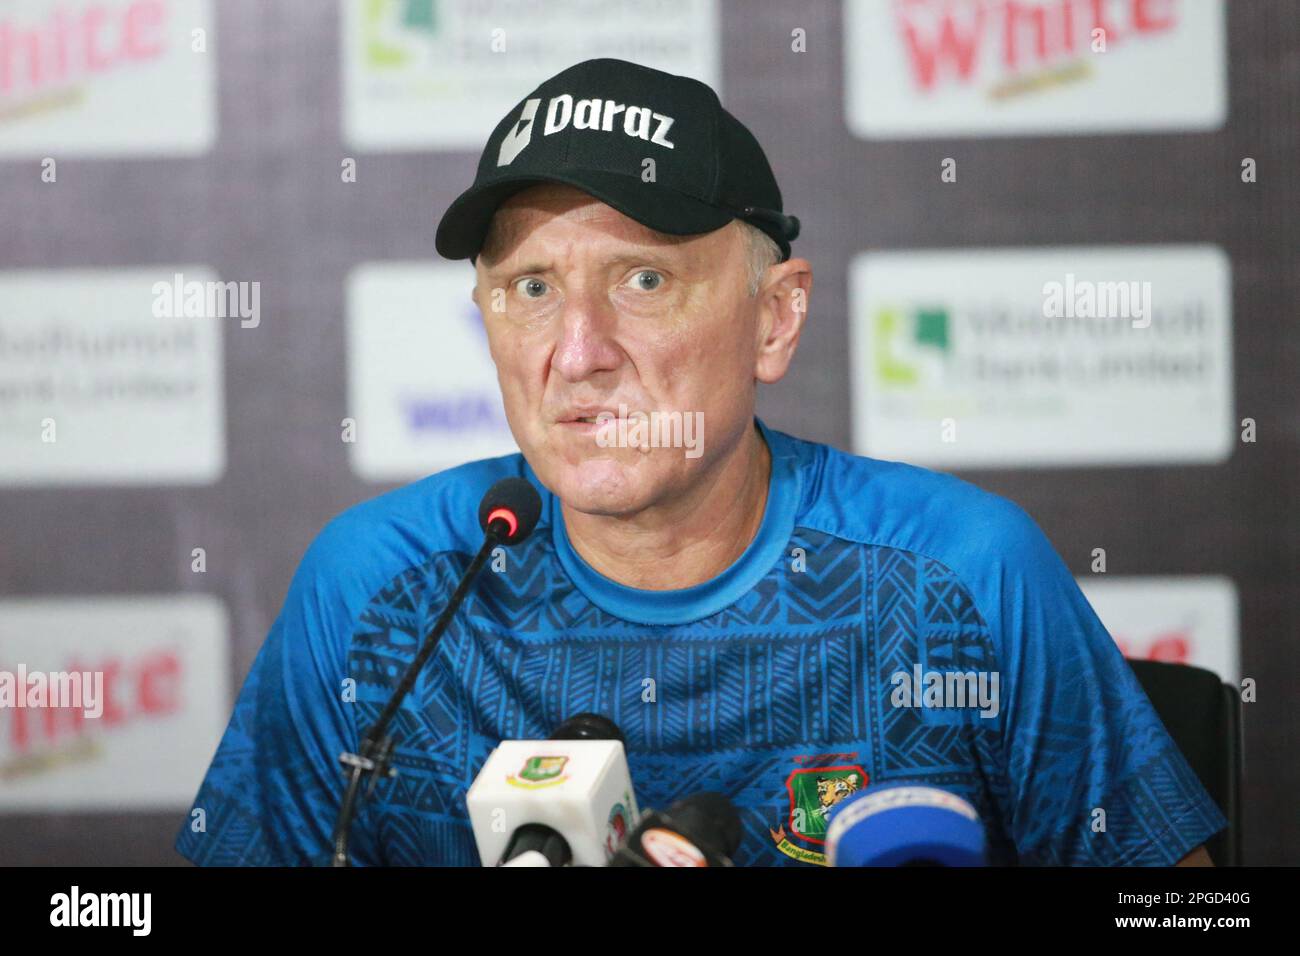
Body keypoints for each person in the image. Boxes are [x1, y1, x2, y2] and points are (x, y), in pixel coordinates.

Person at [176, 58, 1223, 866]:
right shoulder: (378, 589)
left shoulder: (959, 574)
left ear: (773, 317)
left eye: (641, 279)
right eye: (531, 287)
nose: (576, 353)